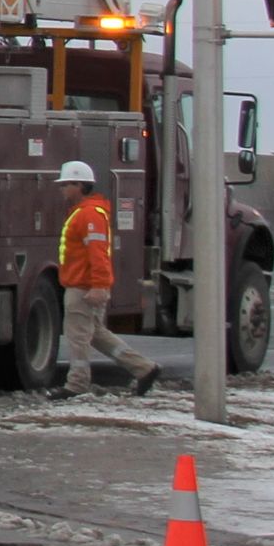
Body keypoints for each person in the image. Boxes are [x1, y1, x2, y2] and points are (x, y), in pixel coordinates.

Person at [51, 159, 157, 399]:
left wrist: (99, 286)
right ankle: (144, 368)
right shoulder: (87, 213)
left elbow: (98, 254)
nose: (62, 189)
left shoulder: (88, 215)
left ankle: (76, 385)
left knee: (78, 337)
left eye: (66, 184)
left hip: (82, 287)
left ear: (79, 186)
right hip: (85, 286)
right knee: (96, 335)